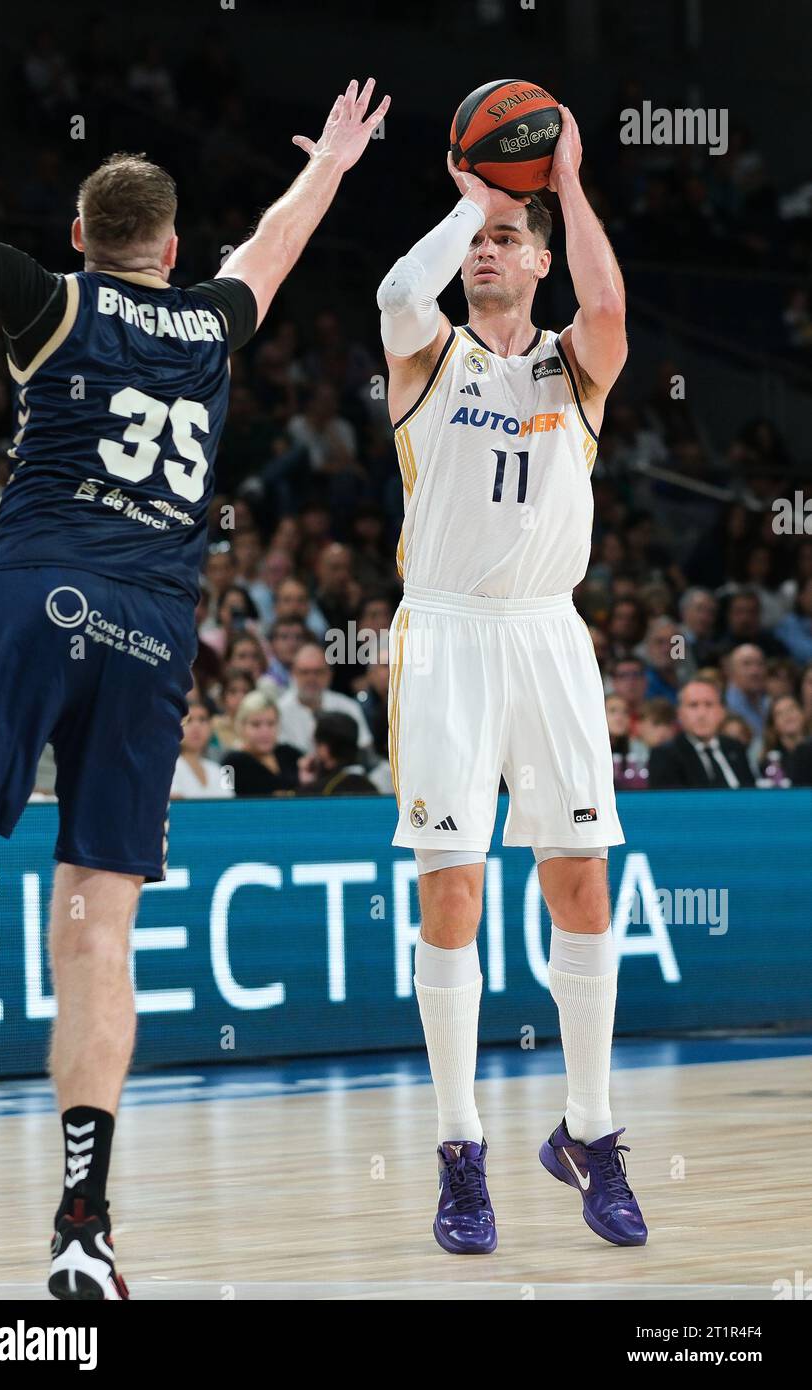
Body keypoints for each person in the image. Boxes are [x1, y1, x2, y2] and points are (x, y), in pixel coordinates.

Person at [0, 77, 389, 1300]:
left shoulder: (47, 297)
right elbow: (283, 238)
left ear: (81, 239)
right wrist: (336, 160)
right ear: (174, 249)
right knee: (96, 932)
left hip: (32, 596)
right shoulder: (211, 324)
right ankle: (83, 1226)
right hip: (150, 638)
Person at [377, 107, 647, 1253]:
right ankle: (458, 1147)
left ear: (538, 258)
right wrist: (472, 196)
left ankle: (587, 1130)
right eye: (478, 239)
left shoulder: (573, 366)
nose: (487, 250)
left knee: (579, 884)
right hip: (443, 637)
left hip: (546, 635)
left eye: (506, 238)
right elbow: (398, 292)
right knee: (454, 896)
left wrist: (565, 186)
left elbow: (608, 308)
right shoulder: (423, 352)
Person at [647, 680, 756, 788]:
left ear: (722, 712)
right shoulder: (665, 755)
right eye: (693, 705)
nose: (701, 714)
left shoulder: (735, 748)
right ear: (680, 714)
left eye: (709, 705)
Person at [276, 638, 373, 756]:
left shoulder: (347, 707)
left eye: (318, 672)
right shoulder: (278, 710)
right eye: (305, 672)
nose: (311, 679)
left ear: (329, 675)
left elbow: (364, 748)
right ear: (293, 674)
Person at [220, 691, 300, 796]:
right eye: (256, 725)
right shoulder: (228, 765)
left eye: (271, 724)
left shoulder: (289, 754)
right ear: (241, 726)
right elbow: (223, 801)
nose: (265, 732)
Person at [297, 712, 378, 796]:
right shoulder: (373, 787)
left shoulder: (317, 792)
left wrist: (306, 786)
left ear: (324, 749)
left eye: (316, 744)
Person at [170, 700, 234, 800]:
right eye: (189, 720)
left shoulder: (220, 769)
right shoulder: (169, 767)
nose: (197, 726)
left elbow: (231, 806)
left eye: (202, 720)